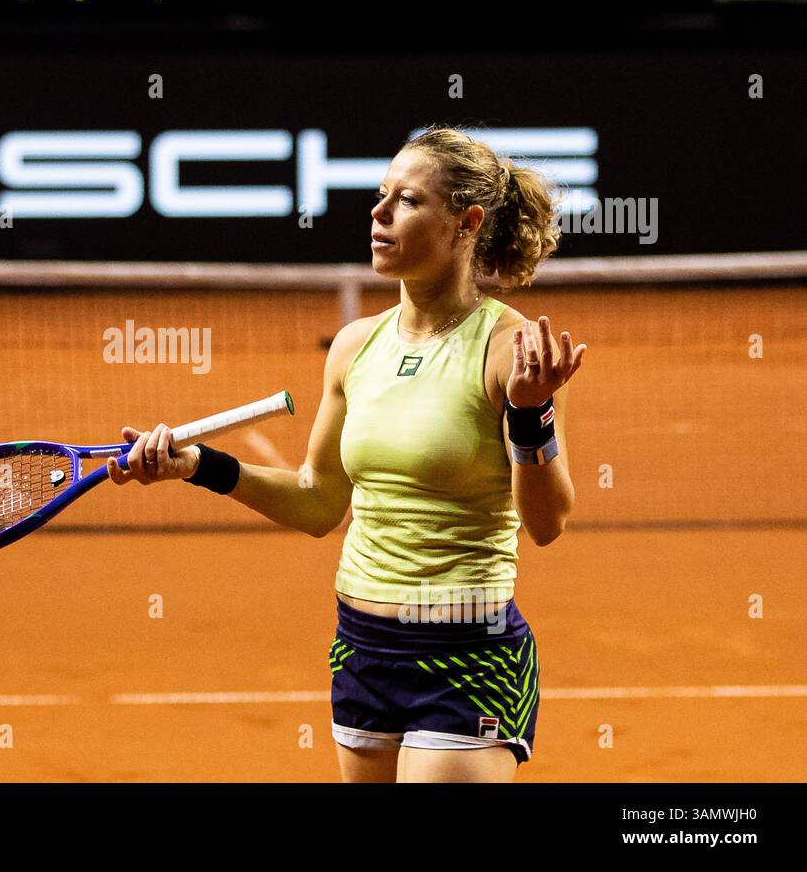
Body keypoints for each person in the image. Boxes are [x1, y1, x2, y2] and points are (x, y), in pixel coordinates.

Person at [106, 126, 586, 782]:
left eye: (408, 201)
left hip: (467, 655)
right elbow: (317, 502)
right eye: (380, 195)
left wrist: (531, 414)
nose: (379, 214)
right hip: (362, 649)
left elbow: (548, 522)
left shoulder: (508, 346)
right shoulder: (356, 346)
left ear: (466, 222)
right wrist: (199, 466)